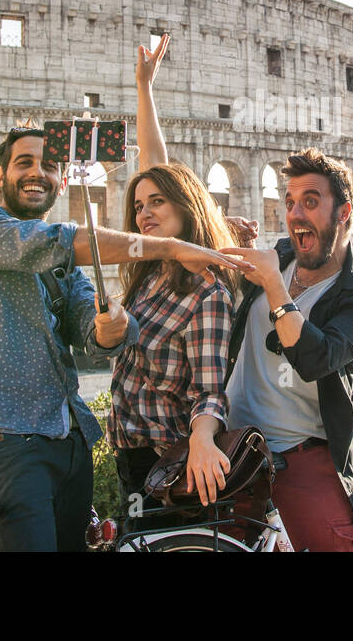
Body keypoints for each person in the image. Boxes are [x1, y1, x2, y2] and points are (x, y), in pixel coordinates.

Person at [0, 120, 246, 551]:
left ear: (63, 183)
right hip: (4, 436)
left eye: (51, 165)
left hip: (70, 443)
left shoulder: (68, 260)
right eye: (25, 163)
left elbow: (94, 329)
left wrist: (110, 326)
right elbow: (49, 242)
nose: (38, 172)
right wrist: (172, 247)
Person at [107, 35, 249, 531]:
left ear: (185, 208)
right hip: (129, 455)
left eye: (157, 204)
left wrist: (204, 440)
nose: (145, 213)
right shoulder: (150, 272)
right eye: (139, 206)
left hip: (168, 461)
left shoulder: (206, 291)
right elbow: (152, 162)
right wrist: (144, 87)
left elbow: (210, 389)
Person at [221, 148, 353, 551]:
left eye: (310, 202)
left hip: (303, 459)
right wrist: (216, 233)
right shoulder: (278, 254)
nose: (295, 213)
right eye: (290, 201)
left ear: (344, 212)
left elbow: (315, 359)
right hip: (233, 451)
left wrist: (274, 287)